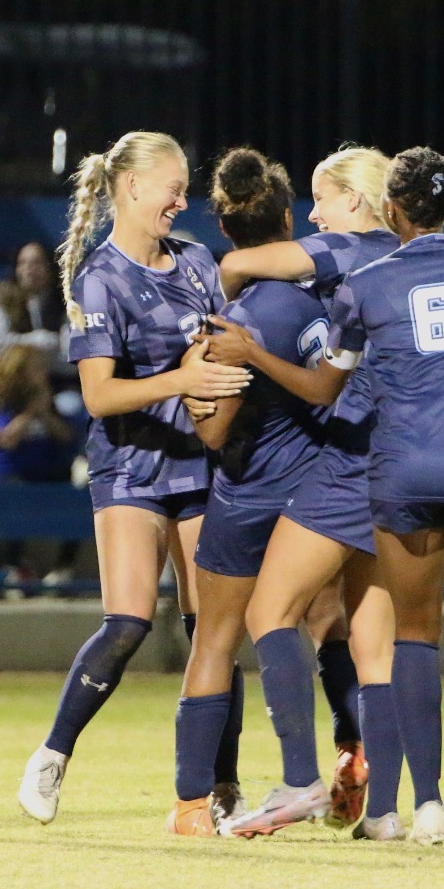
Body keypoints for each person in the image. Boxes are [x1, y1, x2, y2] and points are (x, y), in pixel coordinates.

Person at [242, 147, 444, 844]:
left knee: (415, 634)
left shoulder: (369, 282)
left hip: (404, 471)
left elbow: (326, 386)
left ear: (393, 208)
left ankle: (428, 806)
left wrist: (255, 356)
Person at [14, 131, 251, 830]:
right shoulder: (100, 277)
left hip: (199, 465)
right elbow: (98, 396)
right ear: (131, 187)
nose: (184, 200)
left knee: (215, 627)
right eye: (173, 187)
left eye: (186, 187)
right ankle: (53, 755)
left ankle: (223, 784)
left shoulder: (200, 262)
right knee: (128, 621)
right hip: (131, 467)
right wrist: (181, 379)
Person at [198, 145, 404, 839]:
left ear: (354, 199)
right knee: (370, 633)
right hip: (414, 460)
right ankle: (394, 809)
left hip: (353, 459)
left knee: (269, 611)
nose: (312, 215)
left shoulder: (345, 248)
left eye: (322, 198)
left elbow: (237, 262)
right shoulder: (416, 257)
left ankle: (299, 781)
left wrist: (241, 330)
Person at [167, 147, 334, 837]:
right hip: (326, 493)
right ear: (290, 218)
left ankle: (189, 807)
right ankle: (366, 788)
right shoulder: (329, 290)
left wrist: (189, 372)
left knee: (216, 639)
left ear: (225, 229)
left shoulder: (241, 317)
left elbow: (213, 431)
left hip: (251, 492)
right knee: (340, 631)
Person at [0, 344, 79, 584]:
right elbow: (6, 439)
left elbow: (65, 436)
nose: (42, 373)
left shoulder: (49, 401)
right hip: (12, 475)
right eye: (35, 369)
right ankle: (13, 564)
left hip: (45, 473)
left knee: (75, 498)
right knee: (15, 493)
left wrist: (46, 413)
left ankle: (63, 567)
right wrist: (31, 412)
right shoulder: (4, 403)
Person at [0, 240, 72, 375]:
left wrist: (20, 351)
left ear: (50, 267)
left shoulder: (68, 302)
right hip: (14, 378)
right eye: (22, 263)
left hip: (59, 381)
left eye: (37, 263)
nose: (29, 269)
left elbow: (71, 355)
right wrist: (41, 341)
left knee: (69, 398)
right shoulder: (2, 299)